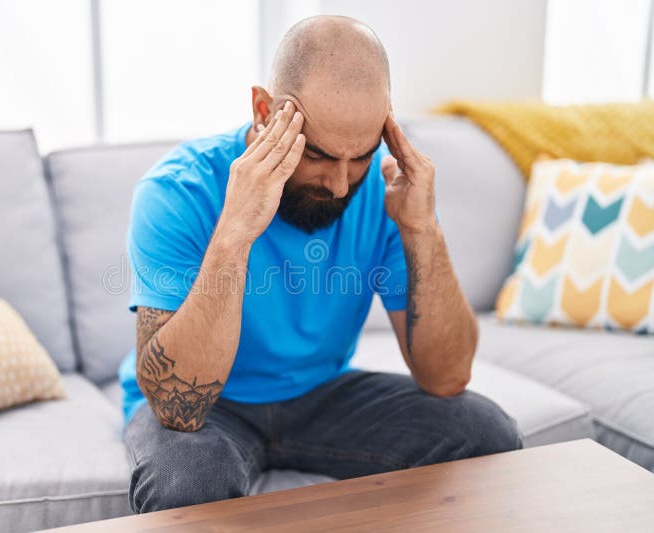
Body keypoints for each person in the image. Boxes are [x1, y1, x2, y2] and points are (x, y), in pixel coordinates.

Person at [118, 14, 522, 514]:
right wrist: (236, 230)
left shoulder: (386, 188)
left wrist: (423, 232)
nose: (339, 183)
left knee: (486, 432)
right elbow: (178, 408)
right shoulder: (177, 190)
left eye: (362, 157)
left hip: (322, 394)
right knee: (187, 480)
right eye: (318, 155)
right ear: (264, 111)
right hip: (211, 410)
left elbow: (447, 378)